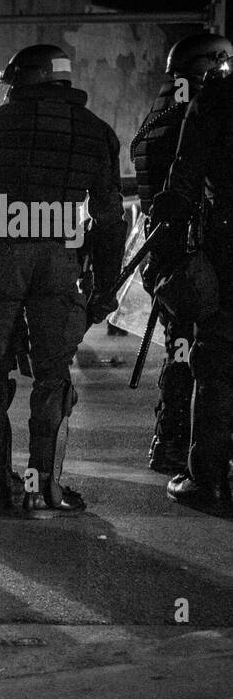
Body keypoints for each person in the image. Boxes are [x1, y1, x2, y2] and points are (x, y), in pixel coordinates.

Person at [0, 45, 126, 514]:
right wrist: (105, 285)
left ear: (23, 78)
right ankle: (45, 486)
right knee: (52, 376)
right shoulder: (96, 131)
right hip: (61, 262)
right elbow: (109, 219)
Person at [131, 33, 233, 475]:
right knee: (192, 351)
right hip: (192, 253)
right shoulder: (191, 114)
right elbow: (184, 183)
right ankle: (175, 441)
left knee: (184, 347)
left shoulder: (157, 118)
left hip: (174, 254)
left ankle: (174, 438)